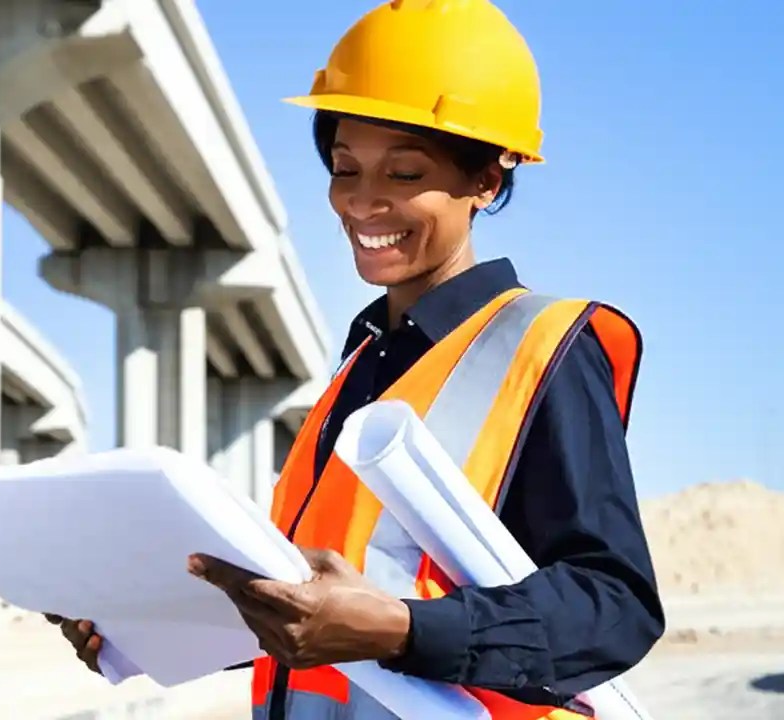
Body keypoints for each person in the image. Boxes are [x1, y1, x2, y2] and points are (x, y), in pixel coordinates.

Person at [49, 1, 665, 718]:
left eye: (405, 174)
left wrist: (404, 630)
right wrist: (136, 629)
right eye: (346, 170)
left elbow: (614, 605)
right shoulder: (362, 367)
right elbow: (321, 608)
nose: (365, 201)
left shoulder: (544, 344)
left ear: (486, 182)